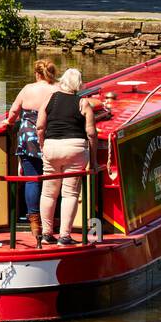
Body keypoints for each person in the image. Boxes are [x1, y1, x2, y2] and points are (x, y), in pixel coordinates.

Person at [37, 69, 99, 246]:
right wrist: (93, 160)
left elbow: (40, 127)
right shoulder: (83, 103)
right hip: (75, 148)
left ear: (62, 81)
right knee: (70, 193)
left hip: (51, 147)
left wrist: (43, 145)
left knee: (49, 192)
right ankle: (64, 236)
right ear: (78, 84)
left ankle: (47, 234)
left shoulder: (50, 98)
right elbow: (92, 133)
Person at [6, 59, 59, 244]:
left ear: (37, 73)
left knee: (32, 179)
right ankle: (51, 223)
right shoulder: (58, 89)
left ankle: (35, 224)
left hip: (28, 139)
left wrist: (9, 122)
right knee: (52, 180)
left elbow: (13, 112)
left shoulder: (27, 89)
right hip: (51, 138)